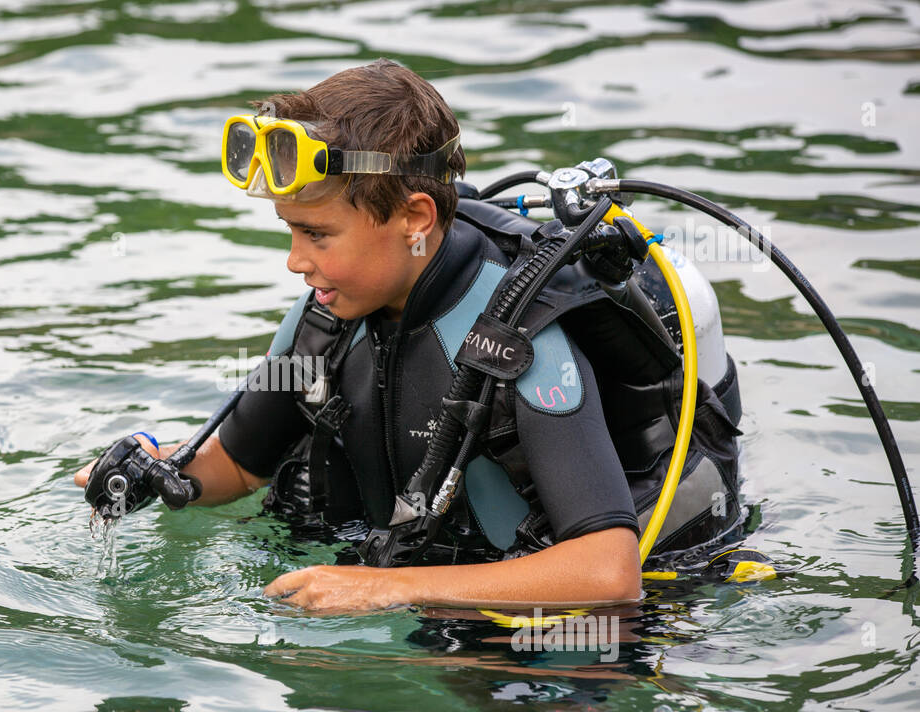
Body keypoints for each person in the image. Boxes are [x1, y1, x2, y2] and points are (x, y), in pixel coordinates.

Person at [75, 59, 745, 613]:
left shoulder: (525, 342)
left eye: (316, 234)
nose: (295, 261)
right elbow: (240, 463)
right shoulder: (324, 316)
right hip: (431, 585)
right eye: (290, 232)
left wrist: (385, 588)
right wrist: (153, 469)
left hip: (581, 625)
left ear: (413, 217)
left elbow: (607, 576)